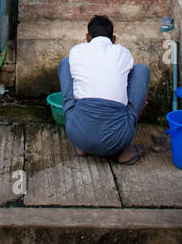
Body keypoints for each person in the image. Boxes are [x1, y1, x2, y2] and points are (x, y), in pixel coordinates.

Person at [58, 15, 150, 165]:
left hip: (77, 133)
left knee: (65, 63)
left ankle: (83, 146)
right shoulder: (123, 53)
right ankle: (124, 150)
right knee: (141, 70)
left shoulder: (76, 51)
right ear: (113, 39)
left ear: (88, 37)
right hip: (118, 140)